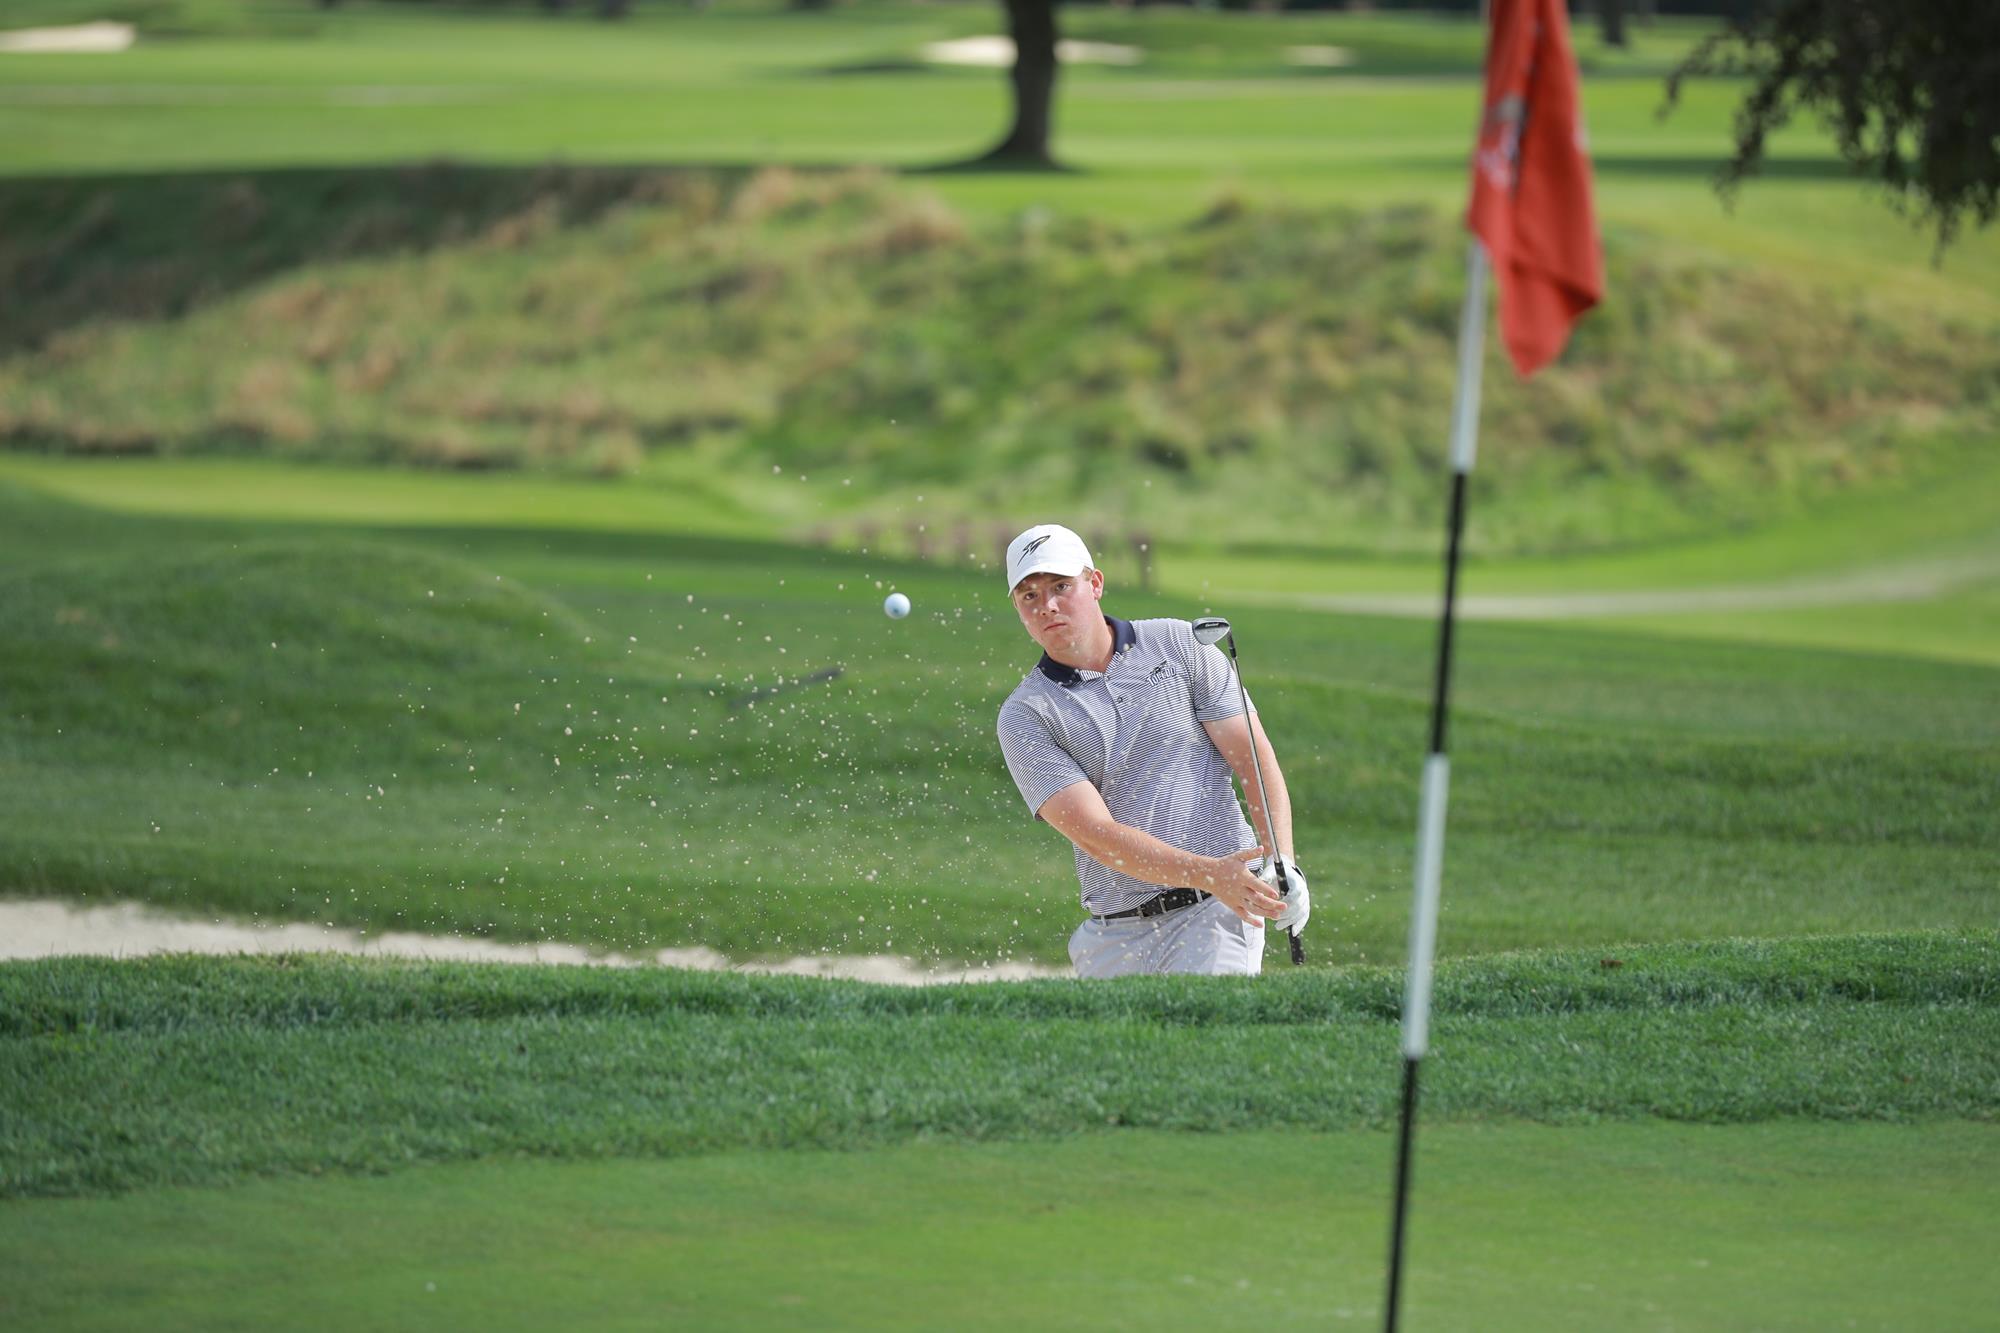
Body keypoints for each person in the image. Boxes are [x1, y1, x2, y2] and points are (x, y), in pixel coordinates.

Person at [995, 523, 1311, 978]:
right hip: (1113, 933)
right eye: (1029, 596)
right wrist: (1209, 872)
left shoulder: (1181, 645)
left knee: (1205, 1036)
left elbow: (1252, 758)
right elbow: (1096, 835)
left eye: (1061, 587)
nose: (1047, 605)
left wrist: (1282, 860)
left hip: (1215, 913)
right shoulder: (1026, 714)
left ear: (1095, 583)